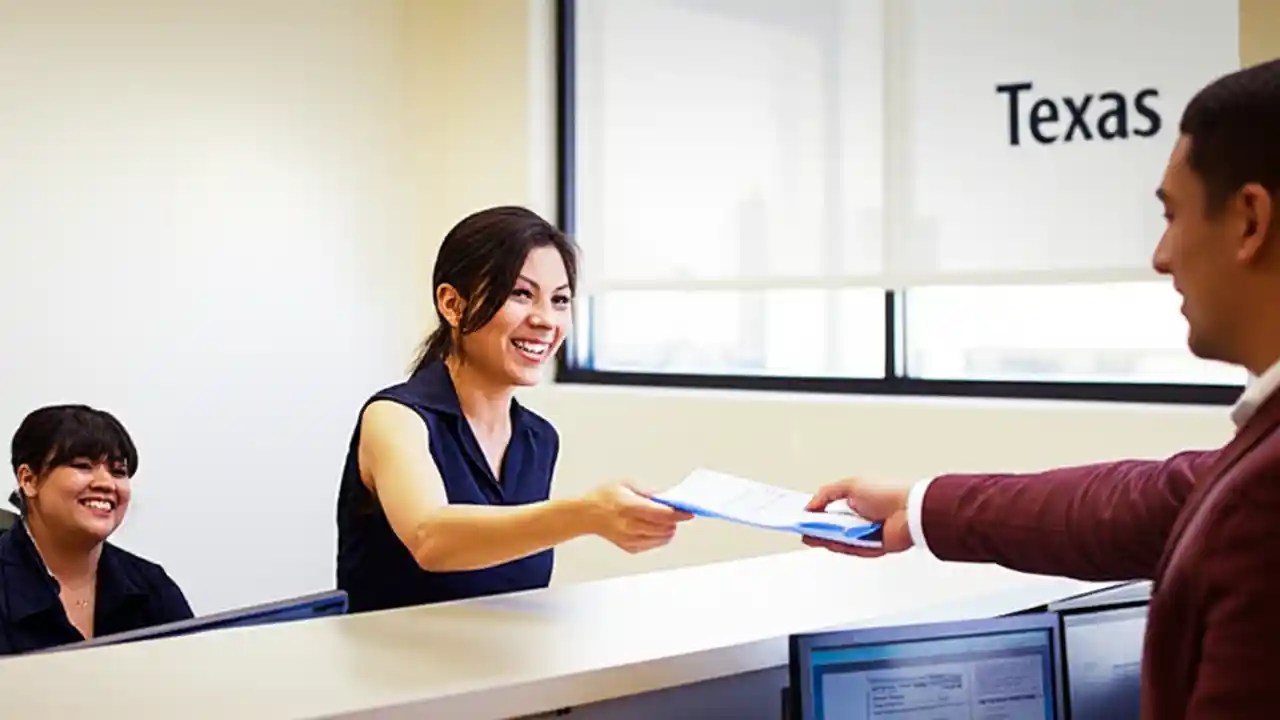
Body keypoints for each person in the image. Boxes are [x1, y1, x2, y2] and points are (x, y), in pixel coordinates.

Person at [803, 58, 1280, 720]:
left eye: (1172, 216)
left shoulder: (1266, 497)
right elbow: (1147, 502)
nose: (1161, 256)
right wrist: (921, 505)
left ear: (1251, 221)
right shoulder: (1259, 466)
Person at [336, 205, 692, 613]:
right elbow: (430, 538)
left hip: (507, 671)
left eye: (560, 300)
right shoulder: (395, 418)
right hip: (392, 673)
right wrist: (588, 514)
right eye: (521, 294)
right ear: (452, 304)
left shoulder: (539, 439)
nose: (546, 320)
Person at [0, 405, 192, 654]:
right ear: (29, 479)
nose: (106, 483)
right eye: (82, 465)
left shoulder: (151, 587)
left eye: (118, 471)